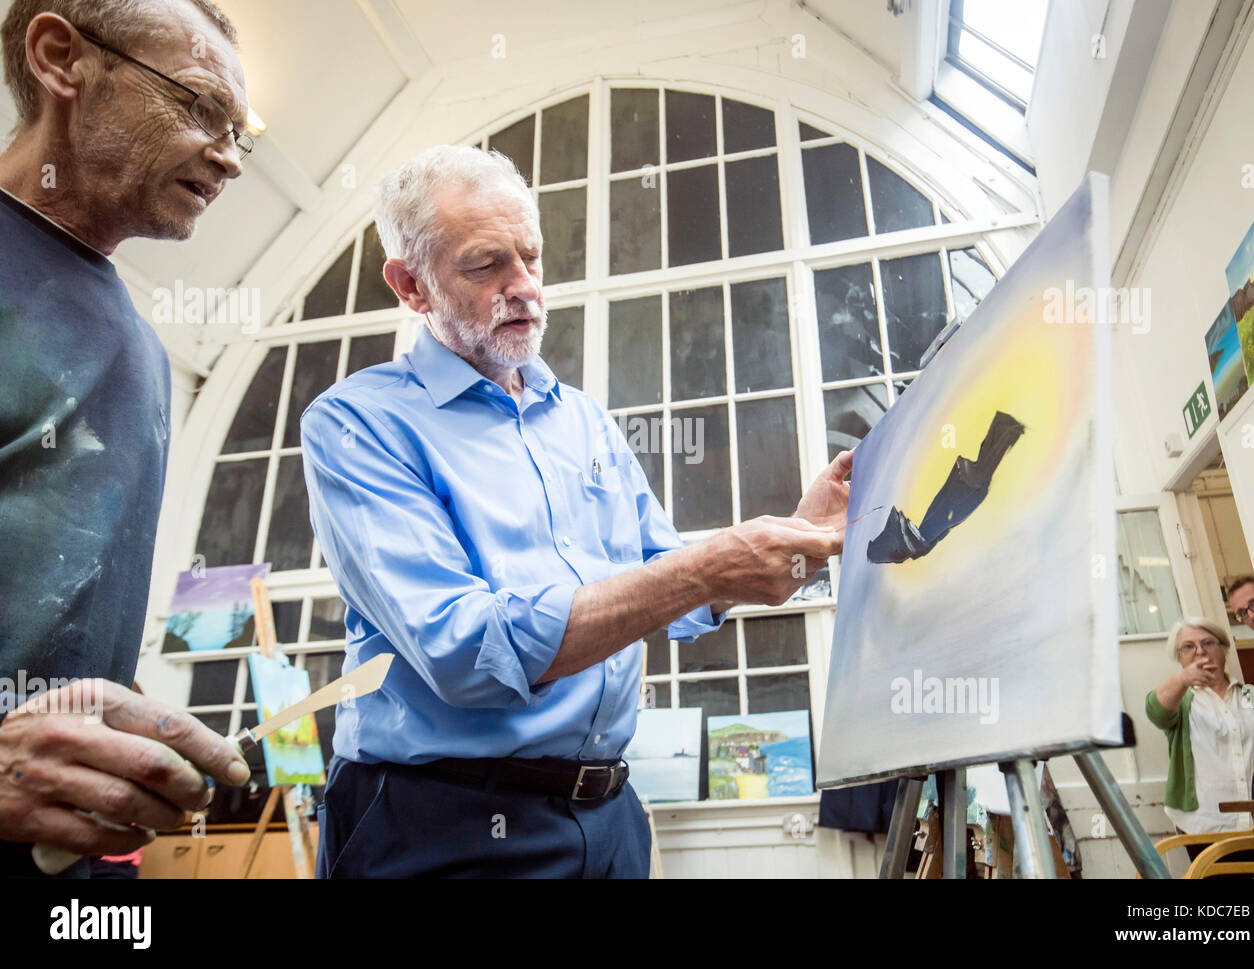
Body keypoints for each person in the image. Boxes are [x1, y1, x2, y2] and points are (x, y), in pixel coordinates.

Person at [301, 144, 851, 878]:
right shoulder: (357, 423)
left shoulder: (583, 420)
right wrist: (703, 569)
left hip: (609, 817)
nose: (523, 286)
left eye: (530, 257)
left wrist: (795, 536)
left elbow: (666, 583)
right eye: (485, 264)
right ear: (411, 285)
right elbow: (465, 649)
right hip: (444, 827)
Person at [0, 0, 253, 876]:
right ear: (60, 59)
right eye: (200, 109)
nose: (228, 155)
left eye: (239, 134)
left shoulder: (145, 345)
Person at [1146, 618, 1254, 861]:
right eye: (1188, 646)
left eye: (1208, 642)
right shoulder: (1183, 701)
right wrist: (1185, 679)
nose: (1200, 651)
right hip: (1205, 826)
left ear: (1224, 649)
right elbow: (1156, 712)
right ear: (1179, 657)